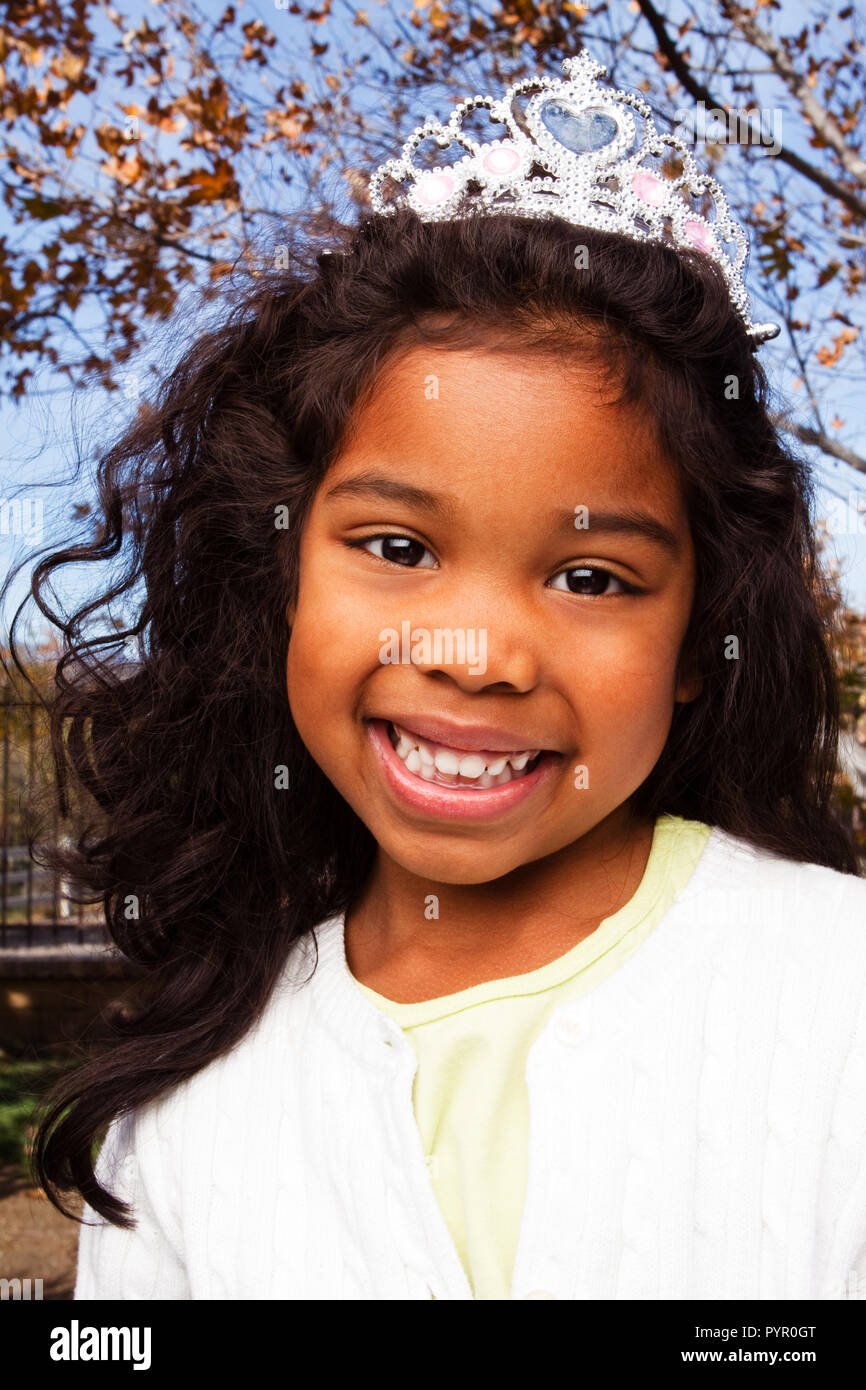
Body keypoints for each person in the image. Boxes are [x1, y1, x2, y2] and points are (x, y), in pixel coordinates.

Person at [23, 50, 866, 1300]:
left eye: (590, 576)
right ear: (278, 576)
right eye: (397, 547)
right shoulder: (184, 1118)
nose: (475, 656)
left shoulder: (835, 1003)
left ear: (698, 639)